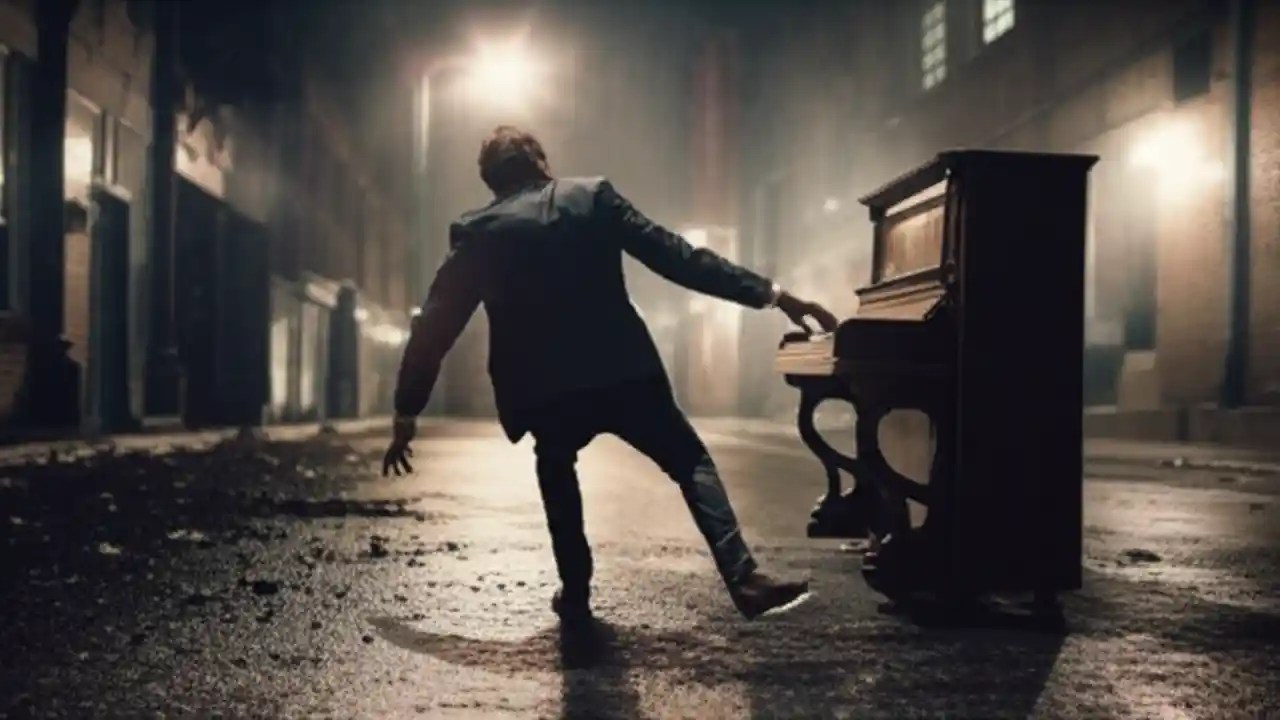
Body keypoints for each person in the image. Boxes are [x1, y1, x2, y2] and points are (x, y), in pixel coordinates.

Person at [384, 125, 839, 622]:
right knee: (689, 461)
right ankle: (743, 577)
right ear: (541, 162)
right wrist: (775, 296)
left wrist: (407, 409)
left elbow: (436, 325)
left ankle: (576, 592)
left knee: (555, 466)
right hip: (624, 370)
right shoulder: (592, 198)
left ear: (490, 182)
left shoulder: (477, 234)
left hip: (544, 389)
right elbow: (678, 258)